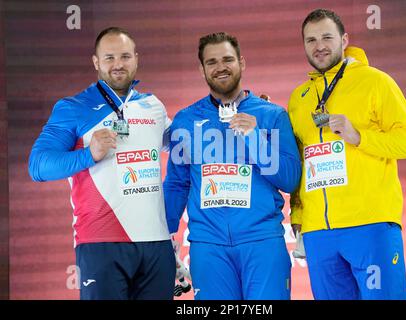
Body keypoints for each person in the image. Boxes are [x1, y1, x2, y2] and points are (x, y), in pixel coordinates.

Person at [28, 27, 176, 300]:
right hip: (100, 242)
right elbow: (38, 166)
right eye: (109, 58)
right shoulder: (73, 107)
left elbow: (186, 144)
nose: (118, 64)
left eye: (125, 56)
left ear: (136, 58)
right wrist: (89, 154)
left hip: (156, 244)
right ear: (96, 62)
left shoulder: (153, 106)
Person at [288, 9, 406, 300]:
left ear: (344, 39)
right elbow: (301, 159)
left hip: (369, 224)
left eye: (327, 37)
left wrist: (359, 137)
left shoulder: (376, 82)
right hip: (318, 232)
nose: (319, 45)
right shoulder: (298, 99)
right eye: (311, 40)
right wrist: (299, 215)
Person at [163, 32, 301, 300]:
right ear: (201, 69)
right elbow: (177, 184)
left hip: (263, 243)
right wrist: (163, 238)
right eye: (211, 62)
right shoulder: (185, 120)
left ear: (242, 62)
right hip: (208, 246)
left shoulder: (272, 115)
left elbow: (290, 179)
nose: (220, 67)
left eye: (227, 59)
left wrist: (255, 139)